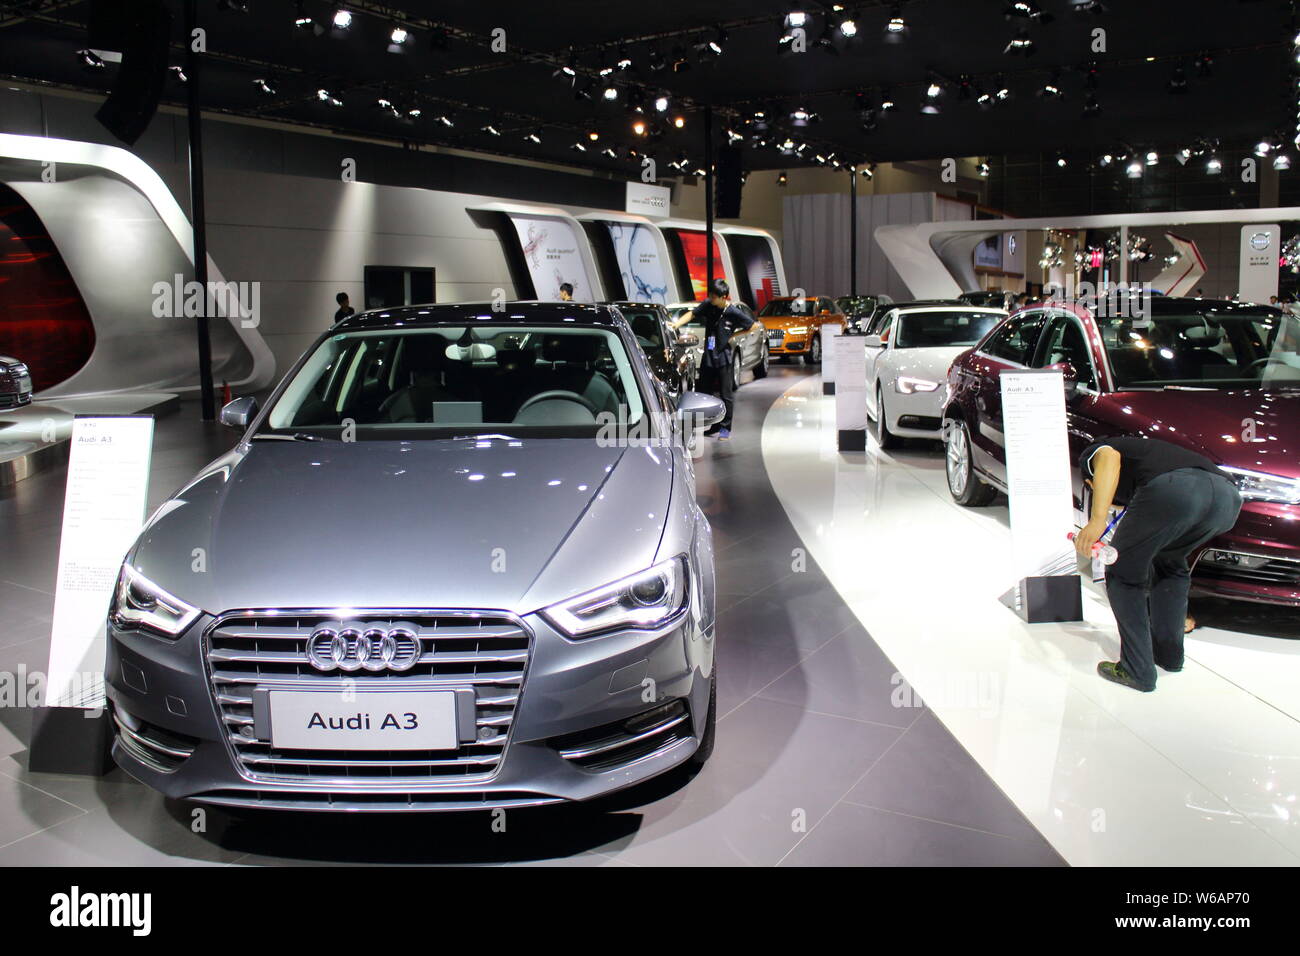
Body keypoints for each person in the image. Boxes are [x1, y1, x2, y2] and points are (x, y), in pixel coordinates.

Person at [1074, 436, 1242, 692]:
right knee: (1170, 563)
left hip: (1177, 489)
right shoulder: (1151, 454)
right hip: (1227, 500)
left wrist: (1097, 519)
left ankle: (1136, 669)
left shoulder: (1097, 451)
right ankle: (1169, 656)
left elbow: (1108, 458)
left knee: (1122, 573)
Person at [687, 278, 756, 440]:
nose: (711, 299)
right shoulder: (708, 306)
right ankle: (713, 425)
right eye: (710, 296)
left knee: (726, 394)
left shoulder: (732, 311)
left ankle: (726, 428)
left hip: (724, 359)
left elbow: (752, 325)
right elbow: (692, 314)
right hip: (708, 357)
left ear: (724, 296)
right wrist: (675, 326)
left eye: (714, 296)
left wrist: (733, 335)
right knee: (705, 393)